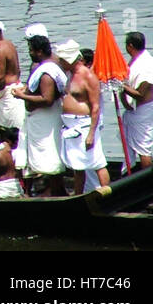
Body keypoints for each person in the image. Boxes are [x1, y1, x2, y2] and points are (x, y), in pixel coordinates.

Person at [12, 35, 68, 195]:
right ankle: (57, 190)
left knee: (50, 155)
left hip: (46, 121)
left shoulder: (46, 72)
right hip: (43, 119)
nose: (29, 53)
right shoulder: (49, 66)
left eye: (31, 50)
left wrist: (22, 96)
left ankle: (57, 192)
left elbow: (47, 99)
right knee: (49, 155)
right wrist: (25, 90)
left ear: (39, 51)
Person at [58, 39, 109, 191]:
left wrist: (91, 134)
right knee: (77, 166)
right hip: (71, 125)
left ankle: (107, 193)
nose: (60, 62)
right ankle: (78, 195)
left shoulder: (88, 77)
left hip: (85, 125)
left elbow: (95, 107)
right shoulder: (69, 74)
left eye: (62, 59)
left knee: (98, 163)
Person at [121, 31, 153, 169]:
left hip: (143, 111)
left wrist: (120, 85)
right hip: (133, 111)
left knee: (143, 148)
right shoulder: (135, 60)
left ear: (130, 46)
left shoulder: (146, 65)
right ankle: (129, 174)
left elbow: (140, 94)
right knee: (131, 145)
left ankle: (148, 181)